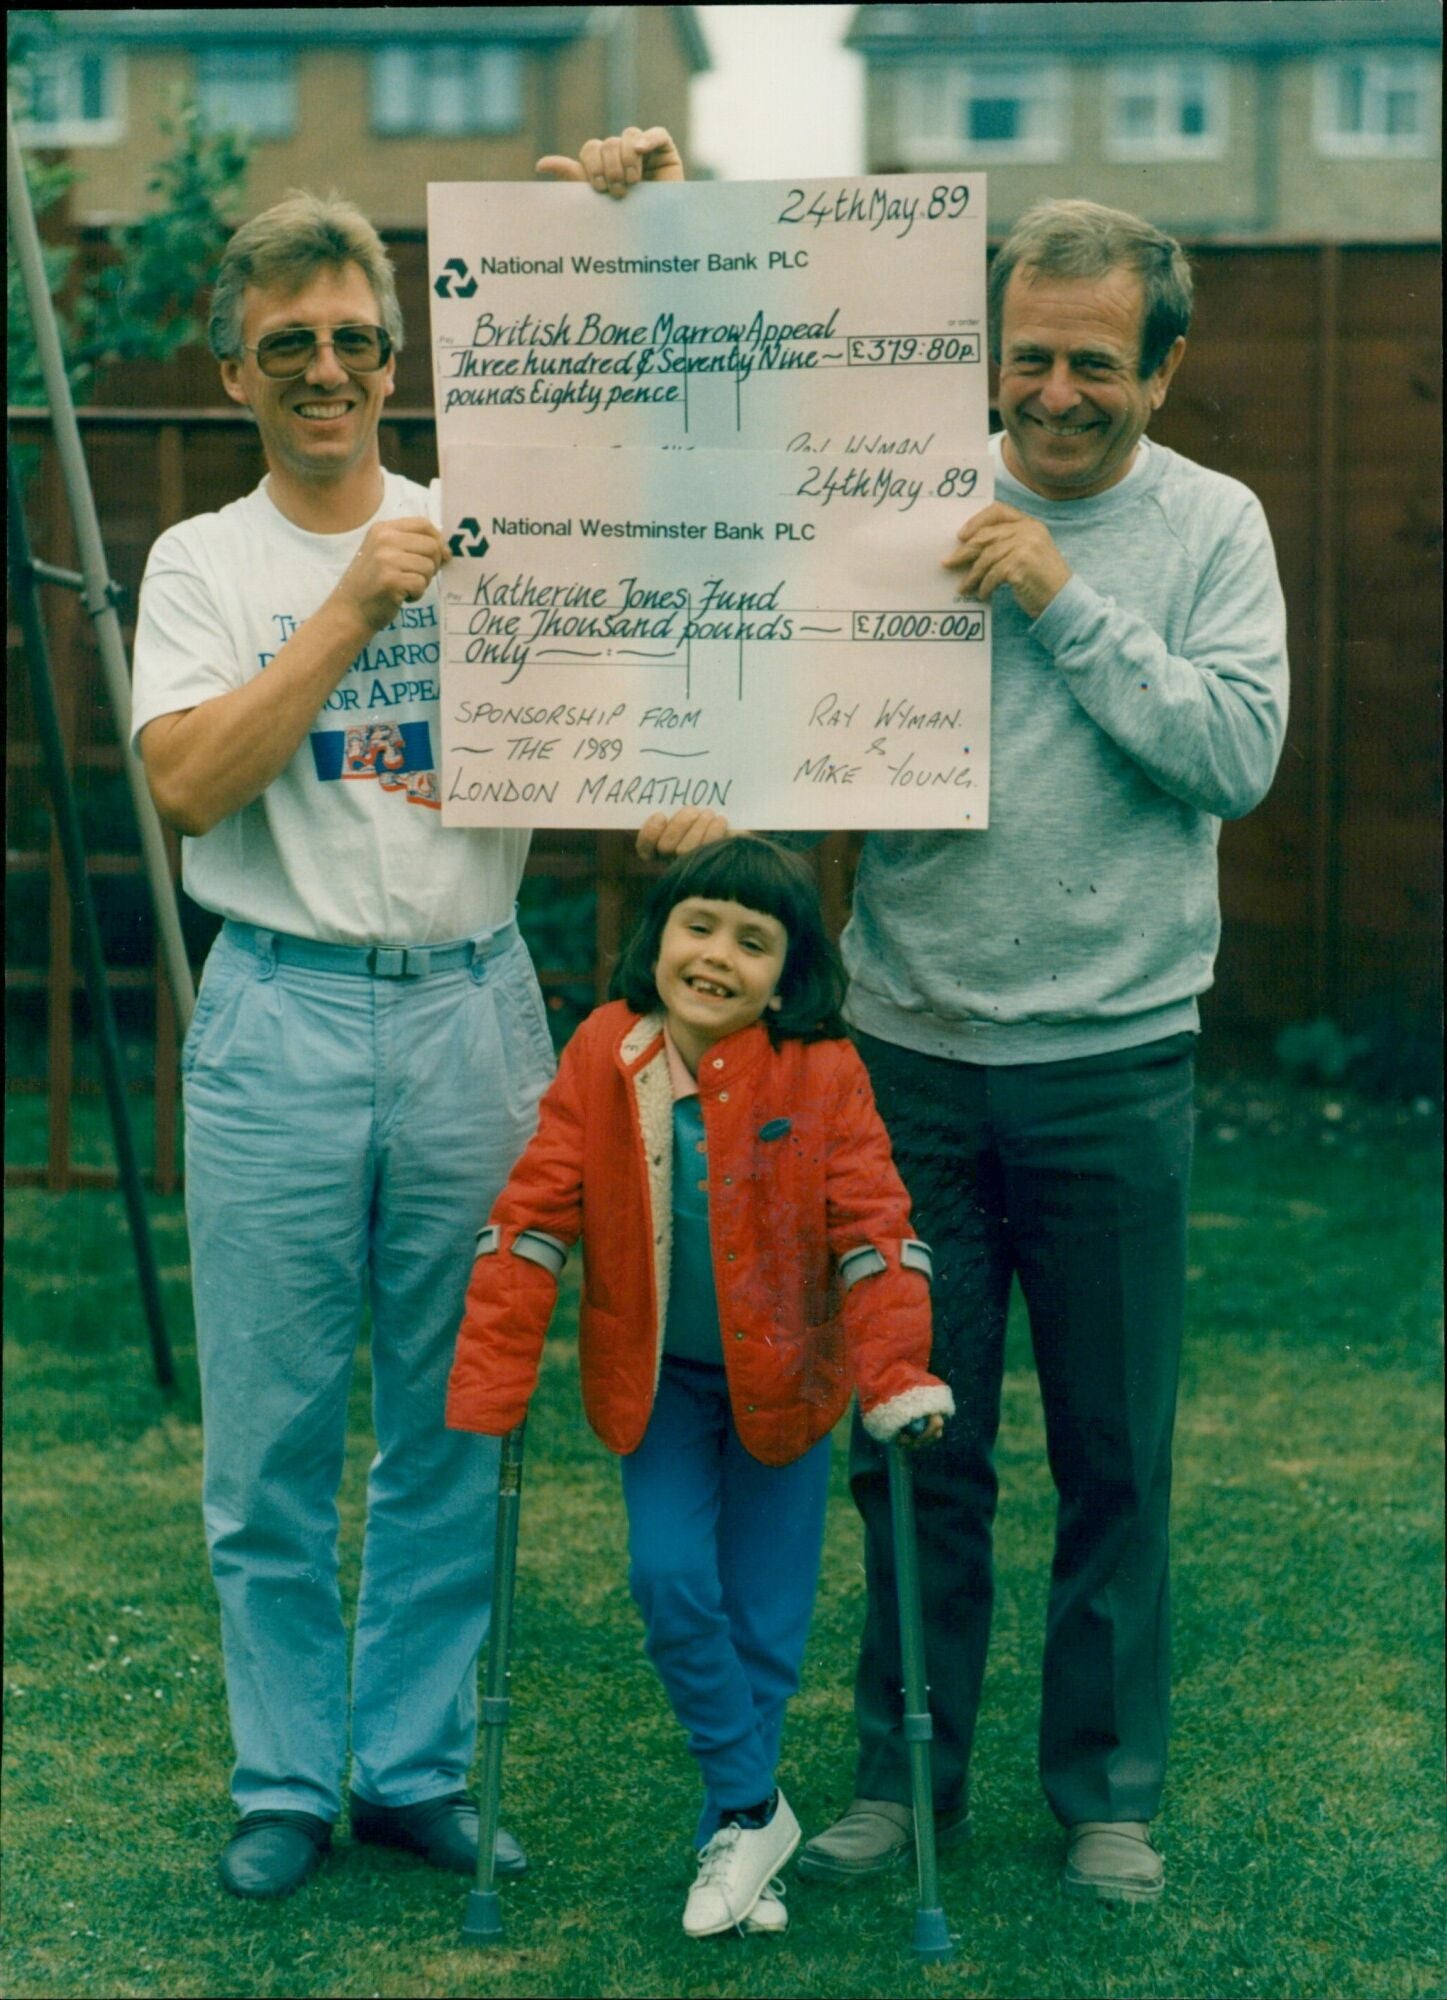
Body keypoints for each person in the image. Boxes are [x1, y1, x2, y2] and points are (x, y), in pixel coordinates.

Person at [641, 194, 1290, 1907]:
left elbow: (1233, 753)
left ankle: (1104, 1789)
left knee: (1113, 1452)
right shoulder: (898, 505)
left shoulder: (1213, 530)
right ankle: (893, 1774)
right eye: (1027, 358)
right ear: (984, 354)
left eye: (1093, 362)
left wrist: (1064, 597)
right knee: (910, 1439)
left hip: (1114, 1056)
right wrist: (725, 807)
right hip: (908, 1059)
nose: (1055, 392)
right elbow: (815, 721)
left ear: (1161, 364)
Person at [130, 125, 705, 1902]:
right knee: (275, 1437)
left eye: (356, 341)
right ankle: (286, 1781)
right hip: (278, 1015)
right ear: (236, 369)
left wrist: (617, 220)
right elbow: (189, 786)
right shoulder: (201, 560)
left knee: (462, 1411)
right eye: (288, 341)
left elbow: (667, 412)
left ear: (400, 359)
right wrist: (347, 607)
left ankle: (413, 1767)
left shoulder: (492, 521)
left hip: (470, 1008)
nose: (325, 370)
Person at [446, 837, 954, 1938]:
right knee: (671, 1578)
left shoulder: (822, 1069)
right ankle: (755, 1808)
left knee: (765, 1624)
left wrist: (895, 1372)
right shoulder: (604, 1051)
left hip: (787, 1382)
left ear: (791, 970)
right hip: (661, 1383)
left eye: (754, 940)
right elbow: (534, 1213)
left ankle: (733, 1839)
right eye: (699, 926)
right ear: (657, 935)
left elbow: (874, 1229)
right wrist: (495, 1372)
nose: (718, 955)